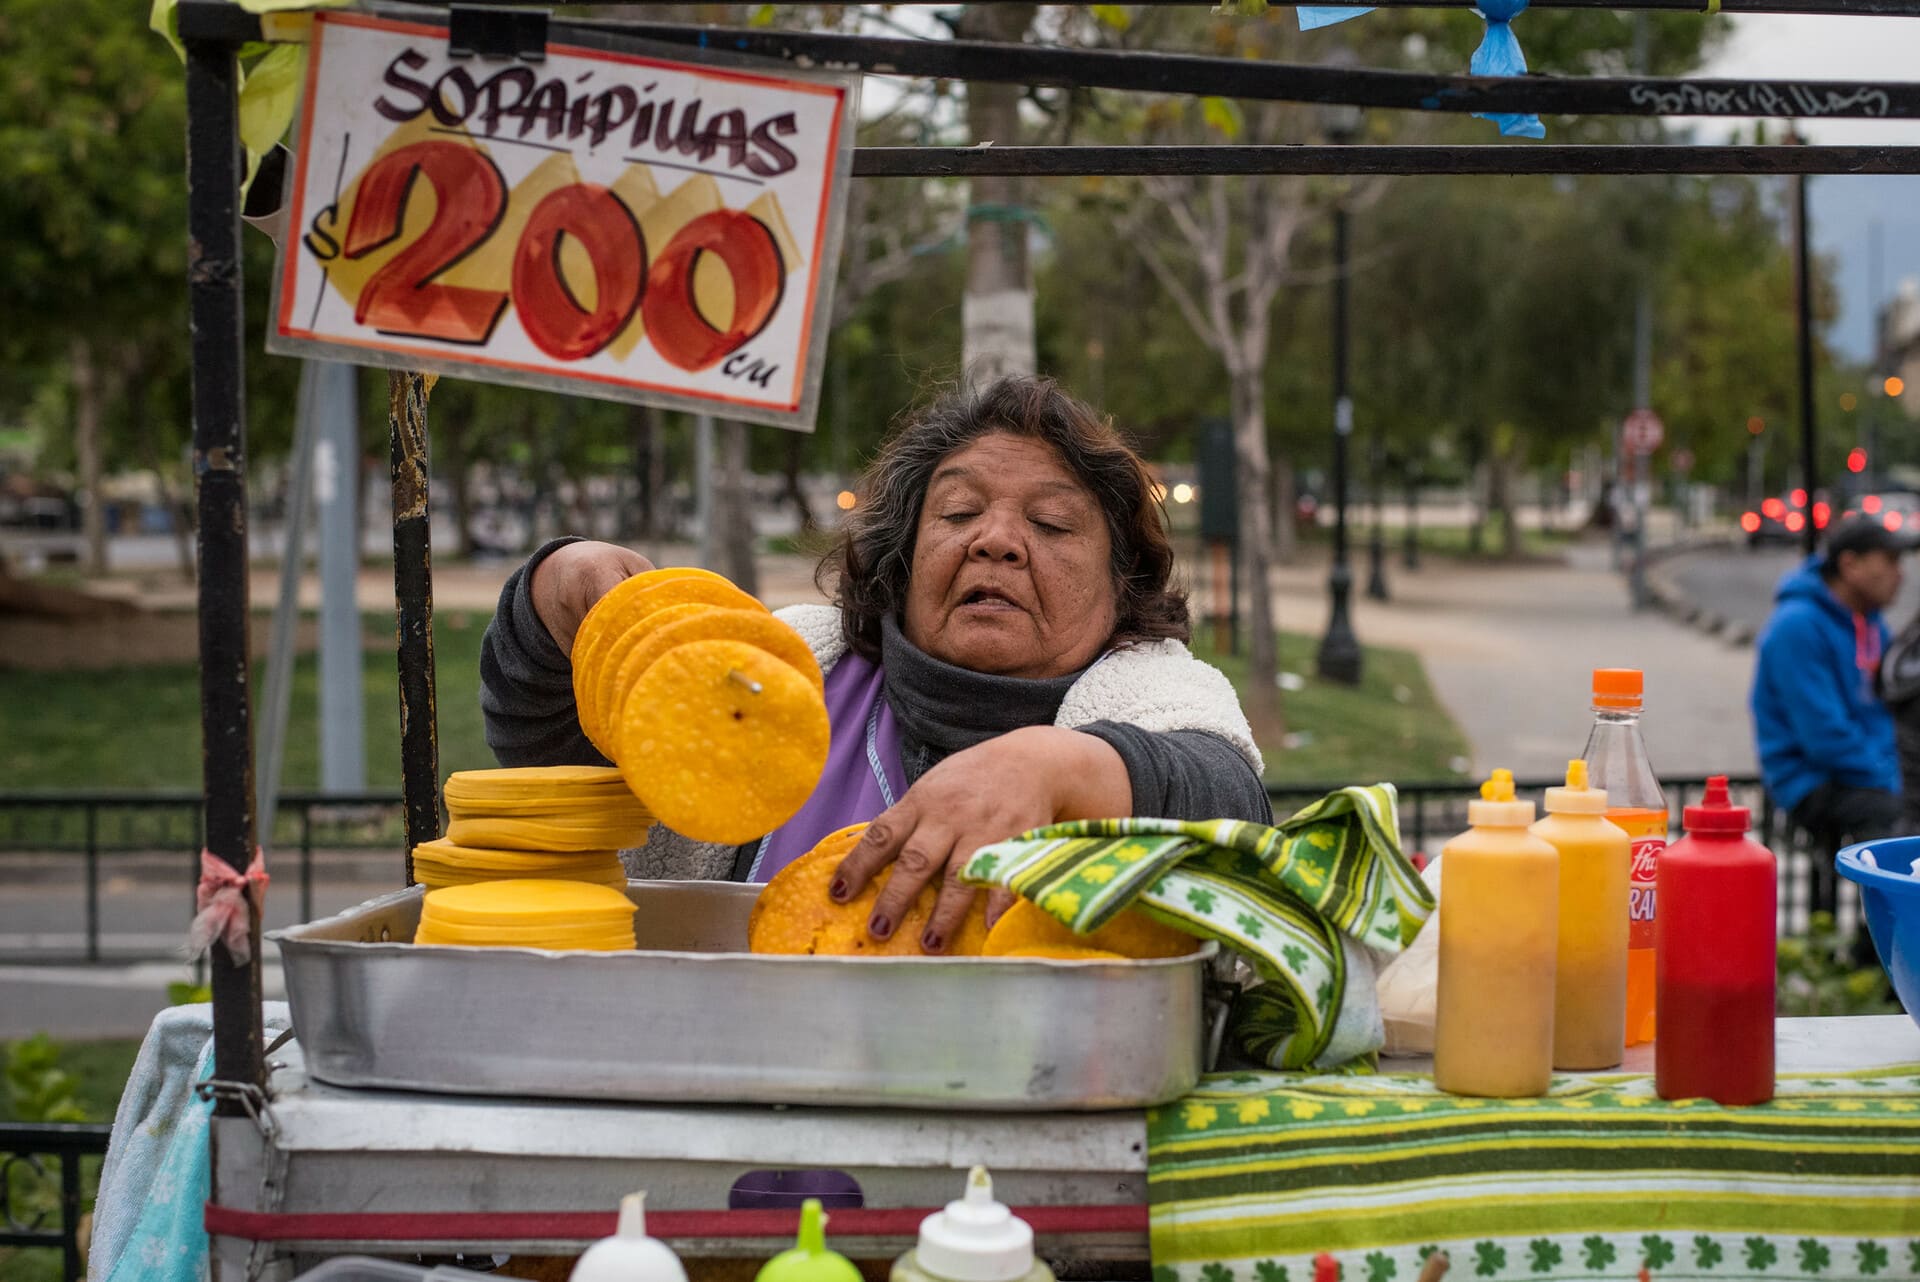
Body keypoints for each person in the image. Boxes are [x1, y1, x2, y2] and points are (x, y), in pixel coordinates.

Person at [479, 376, 1271, 953]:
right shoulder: (793, 669)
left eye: (1053, 524)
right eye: (958, 511)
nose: (996, 540)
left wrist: (1057, 768)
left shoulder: (1152, 689)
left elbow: (1234, 817)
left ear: (1121, 582)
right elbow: (560, 761)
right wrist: (552, 596)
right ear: (904, 557)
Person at [1750, 515, 1905, 852]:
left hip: (1864, 769)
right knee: (1896, 819)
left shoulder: (1872, 625)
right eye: (1890, 561)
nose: (1900, 574)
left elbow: (1889, 713)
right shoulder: (1797, 625)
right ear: (1850, 565)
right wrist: (1891, 777)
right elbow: (1823, 736)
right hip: (1810, 778)